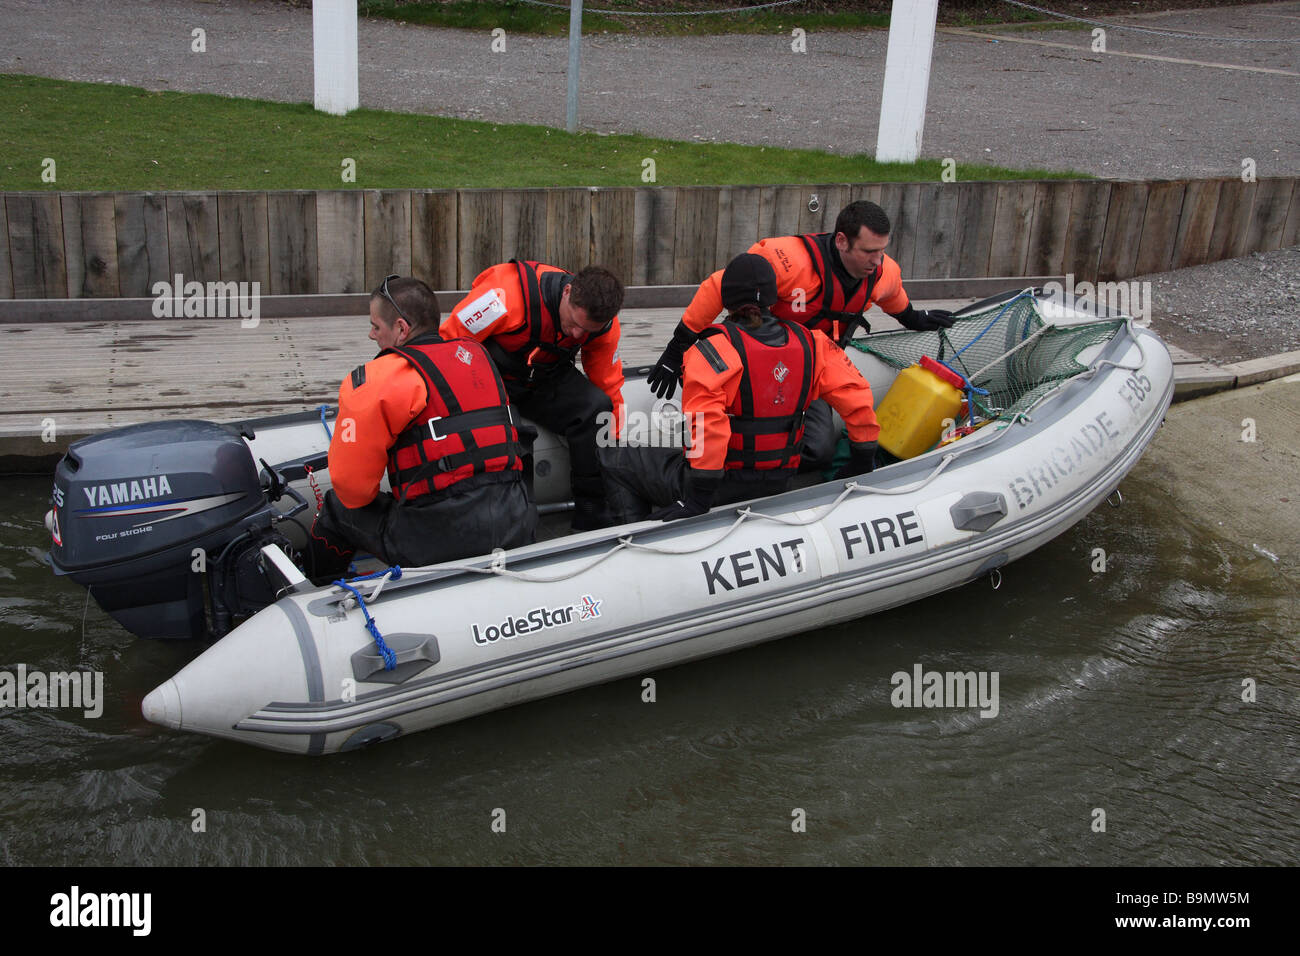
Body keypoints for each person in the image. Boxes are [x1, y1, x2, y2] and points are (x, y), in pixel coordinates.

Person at [603, 253, 880, 522]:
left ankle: (629, 536)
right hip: (780, 481)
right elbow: (857, 399)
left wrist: (698, 498)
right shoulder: (815, 344)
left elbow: (709, 425)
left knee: (612, 457)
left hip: (720, 487)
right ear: (774, 297)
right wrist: (862, 461)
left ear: (726, 300)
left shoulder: (712, 350)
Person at [309, 275, 537, 573]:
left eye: (376, 326)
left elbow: (353, 490)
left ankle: (315, 595)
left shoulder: (376, 379)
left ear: (401, 328)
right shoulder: (477, 355)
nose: (371, 335)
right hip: (515, 523)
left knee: (336, 509)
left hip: (436, 539)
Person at [647, 199, 956, 402]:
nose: (877, 260)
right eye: (868, 251)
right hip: (761, 357)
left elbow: (894, 298)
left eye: (882, 250)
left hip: (814, 365)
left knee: (821, 445)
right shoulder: (790, 262)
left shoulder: (884, 272)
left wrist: (916, 319)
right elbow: (720, 285)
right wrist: (677, 350)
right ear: (841, 241)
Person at [441, 260, 626, 530]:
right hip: (491, 379)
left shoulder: (605, 327)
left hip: (546, 377)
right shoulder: (503, 296)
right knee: (513, 435)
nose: (577, 334)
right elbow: (449, 348)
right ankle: (511, 519)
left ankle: (591, 511)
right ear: (567, 292)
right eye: (574, 323)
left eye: (587, 331)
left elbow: (609, 384)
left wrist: (617, 444)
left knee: (598, 408)